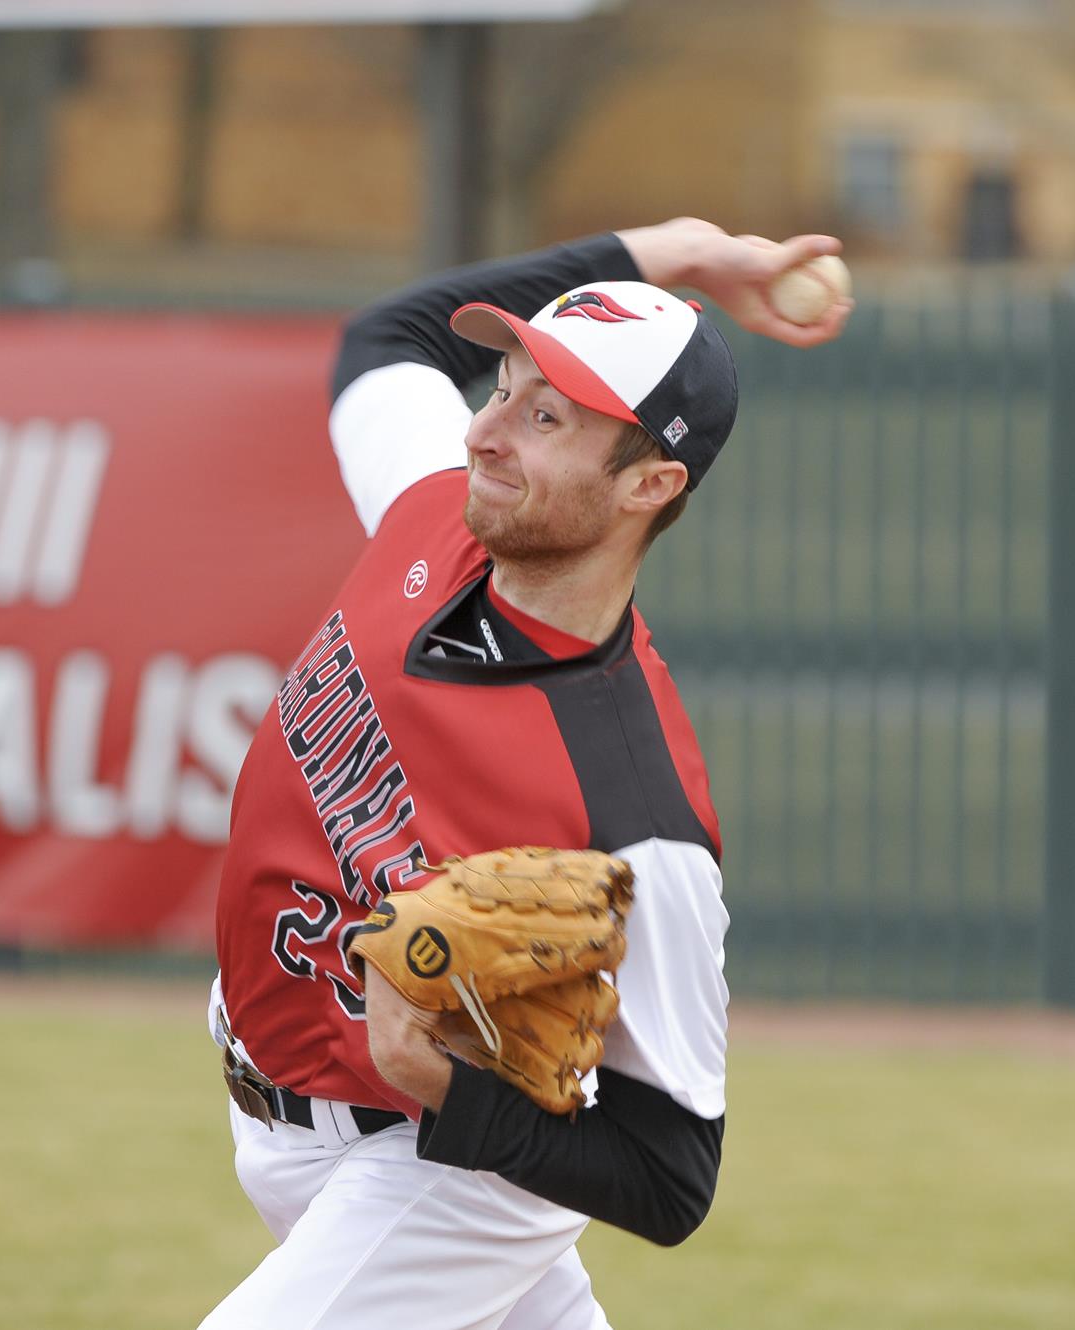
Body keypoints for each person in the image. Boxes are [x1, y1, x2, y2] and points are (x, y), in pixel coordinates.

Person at [197, 217, 852, 1330]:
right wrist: (668, 256)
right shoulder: (431, 519)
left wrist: (442, 1082)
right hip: (278, 1115)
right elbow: (386, 336)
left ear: (648, 484)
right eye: (500, 385)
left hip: (445, 1171)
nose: (485, 433)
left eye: (544, 414)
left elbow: (670, 1173)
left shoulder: (633, 810)